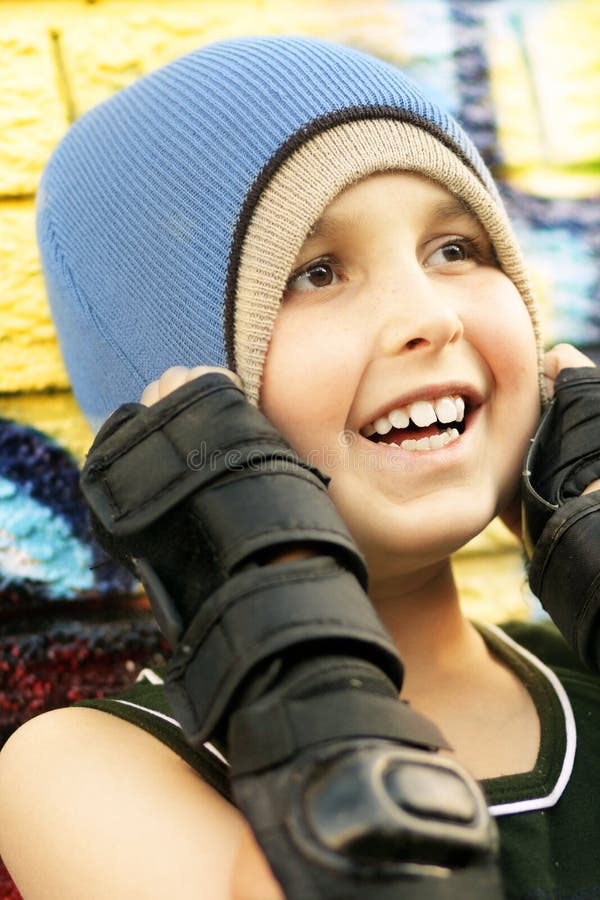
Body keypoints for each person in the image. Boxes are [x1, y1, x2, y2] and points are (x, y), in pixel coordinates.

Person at [0, 35, 599, 900]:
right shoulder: (82, 771)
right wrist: (261, 568)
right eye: (316, 272)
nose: (426, 317)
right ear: (173, 416)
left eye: (457, 249)